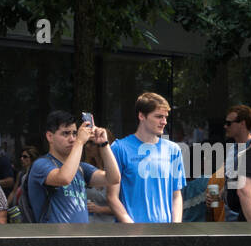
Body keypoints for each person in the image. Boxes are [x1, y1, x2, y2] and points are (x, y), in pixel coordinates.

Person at [26, 111, 123, 224]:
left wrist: (104, 144)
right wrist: (80, 142)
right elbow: (64, 178)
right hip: (54, 240)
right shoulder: (41, 164)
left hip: (80, 238)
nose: (72, 139)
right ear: (50, 136)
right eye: (65, 134)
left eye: (74, 133)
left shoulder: (81, 168)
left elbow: (113, 178)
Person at [110, 92, 186, 223]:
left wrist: (175, 228)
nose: (164, 122)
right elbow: (112, 197)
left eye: (165, 117)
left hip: (165, 234)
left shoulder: (173, 149)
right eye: (158, 117)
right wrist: (132, 229)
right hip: (131, 233)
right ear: (141, 116)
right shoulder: (119, 148)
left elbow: (176, 196)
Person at [218, 104, 251, 221]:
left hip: (246, 219)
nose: (225, 126)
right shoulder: (232, 149)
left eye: (229, 123)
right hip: (230, 219)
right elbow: (232, 182)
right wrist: (221, 194)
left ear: (242, 124)